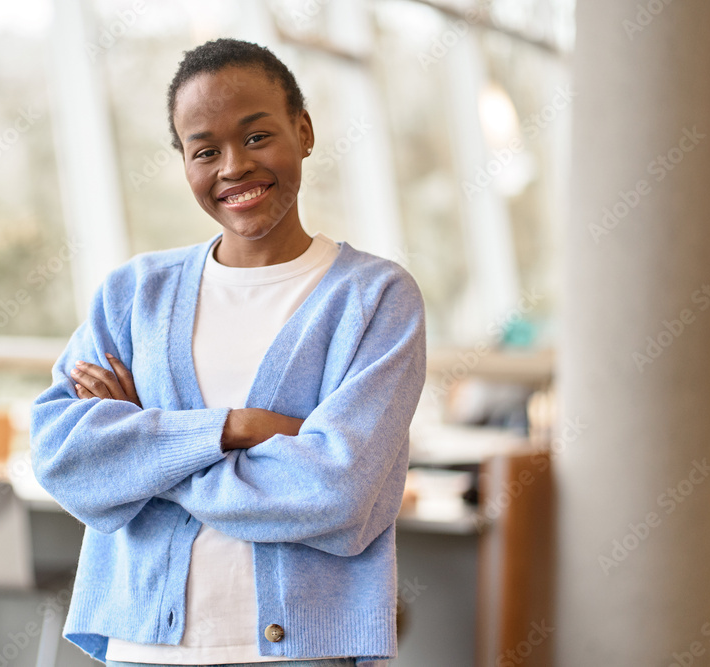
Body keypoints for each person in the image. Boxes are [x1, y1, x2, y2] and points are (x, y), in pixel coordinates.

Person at [30, 38, 426, 667]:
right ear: (184, 161)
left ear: (304, 130)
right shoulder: (135, 294)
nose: (233, 166)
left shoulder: (376, 298)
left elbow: (338, 493)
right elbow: (63, 457)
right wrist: (237, 428)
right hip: (143, 648)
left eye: (257, 136)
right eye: (205, 150)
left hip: (301, 653)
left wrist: (146, 457)